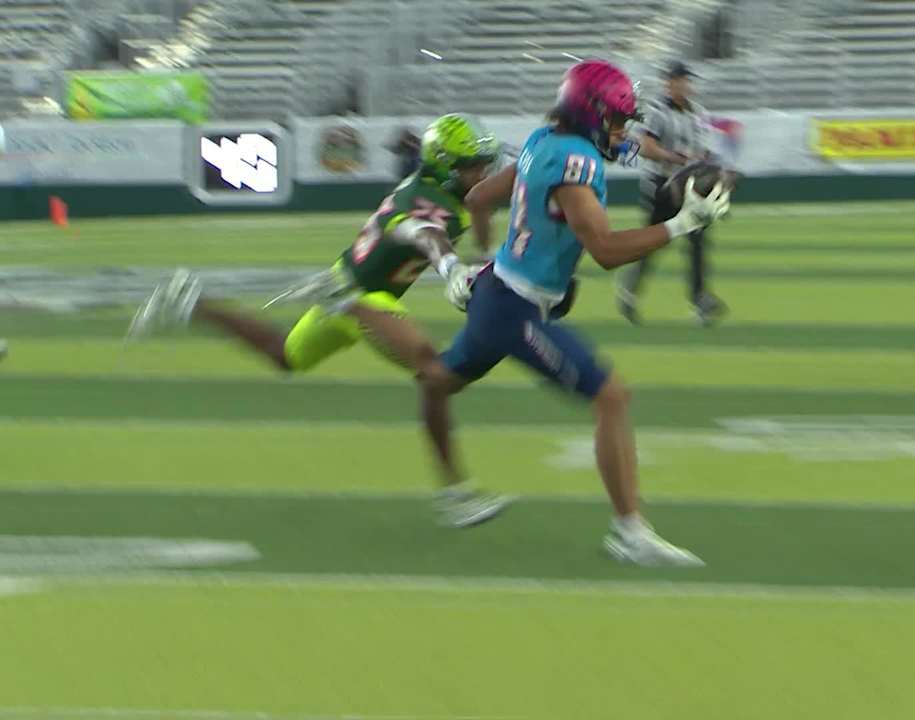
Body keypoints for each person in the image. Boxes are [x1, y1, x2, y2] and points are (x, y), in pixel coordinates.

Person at [406, 59, 729, 566]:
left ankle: (452, 491)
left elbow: (479, 196)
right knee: (612, 397)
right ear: (592, 115)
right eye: (618, 119)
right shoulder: (574, 163)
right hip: (514, 310)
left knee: (437, 381)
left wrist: (483, 260)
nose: (625, 130)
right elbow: (604, 249)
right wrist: (683, 223)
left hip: (497, 293)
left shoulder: (543, 141)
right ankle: (630, 532)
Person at [125, 114, 509, 528]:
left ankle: (191, 302)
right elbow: (422, 233)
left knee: (286, 356)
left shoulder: (445, 193)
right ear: (446, 167)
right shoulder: (431, 204)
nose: (481, 171)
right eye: (473, 164)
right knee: (436, 373)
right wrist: (450, 266)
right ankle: (455, 494)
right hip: (364, 295)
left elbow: (469, 213)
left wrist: (482, 247)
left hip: (345, 279)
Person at [616, 61, 726, 327]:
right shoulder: (658, 111)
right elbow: (646, 146)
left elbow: (704, 148)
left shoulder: (697, 112)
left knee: (697, 241)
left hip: (689, 187)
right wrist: (674, 157)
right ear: (669, 83)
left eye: (688, 80)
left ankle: (699, 299)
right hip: (661, 185)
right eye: (680, 80)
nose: (686, 85)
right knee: (655, 241)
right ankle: (631, 288)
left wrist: (709, 162)